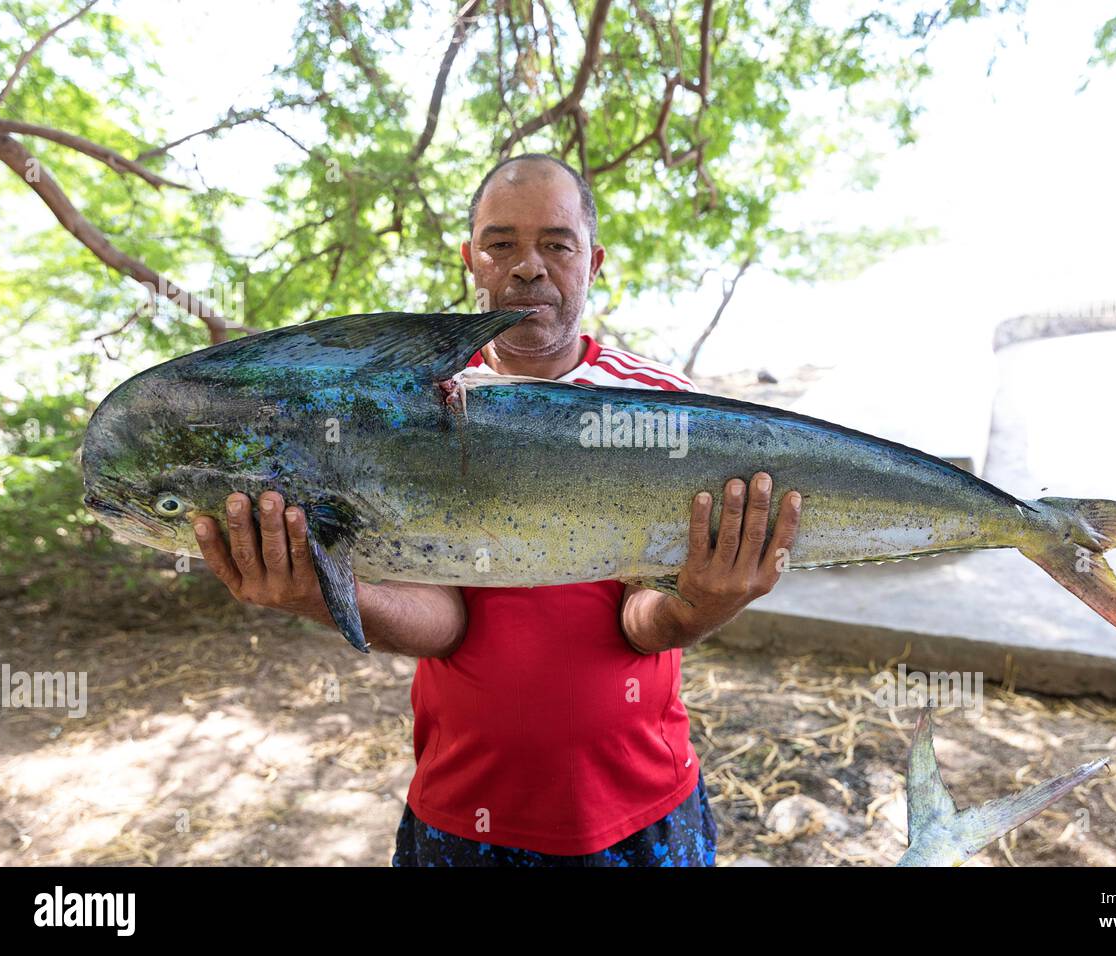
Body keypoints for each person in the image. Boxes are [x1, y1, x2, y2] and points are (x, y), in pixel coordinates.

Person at [191, 153, 802, 866]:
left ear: (592, 261)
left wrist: (702, 604)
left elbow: (642, 619)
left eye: (556, 243)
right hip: (462, 813)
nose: (529, 267)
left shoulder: (665, 405)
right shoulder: (410, 410)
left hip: (641, 809)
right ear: (470, 260)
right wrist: (329, 594)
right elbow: (444, 620)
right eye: (502, 243)